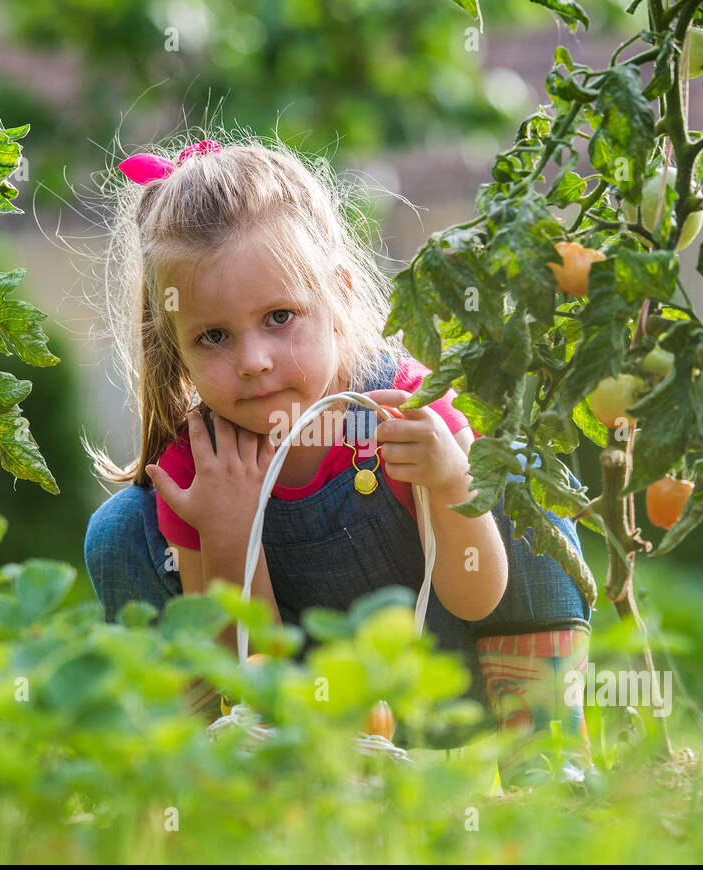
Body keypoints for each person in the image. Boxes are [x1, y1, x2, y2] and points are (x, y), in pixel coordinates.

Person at [83, 133, 593, 789]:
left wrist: (451, 481)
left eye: (279, 317)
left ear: (339, 297)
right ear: (175, 347)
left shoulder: (401, 409)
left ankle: (547, 754)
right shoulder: (203, 466)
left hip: (445, 672)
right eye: (214, 336)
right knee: (123, 529)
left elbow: (478, 593)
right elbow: (249, 667)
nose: (253, 360)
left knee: (515, 467)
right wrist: (231, 532)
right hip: (300, 711)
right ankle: (210, 781)